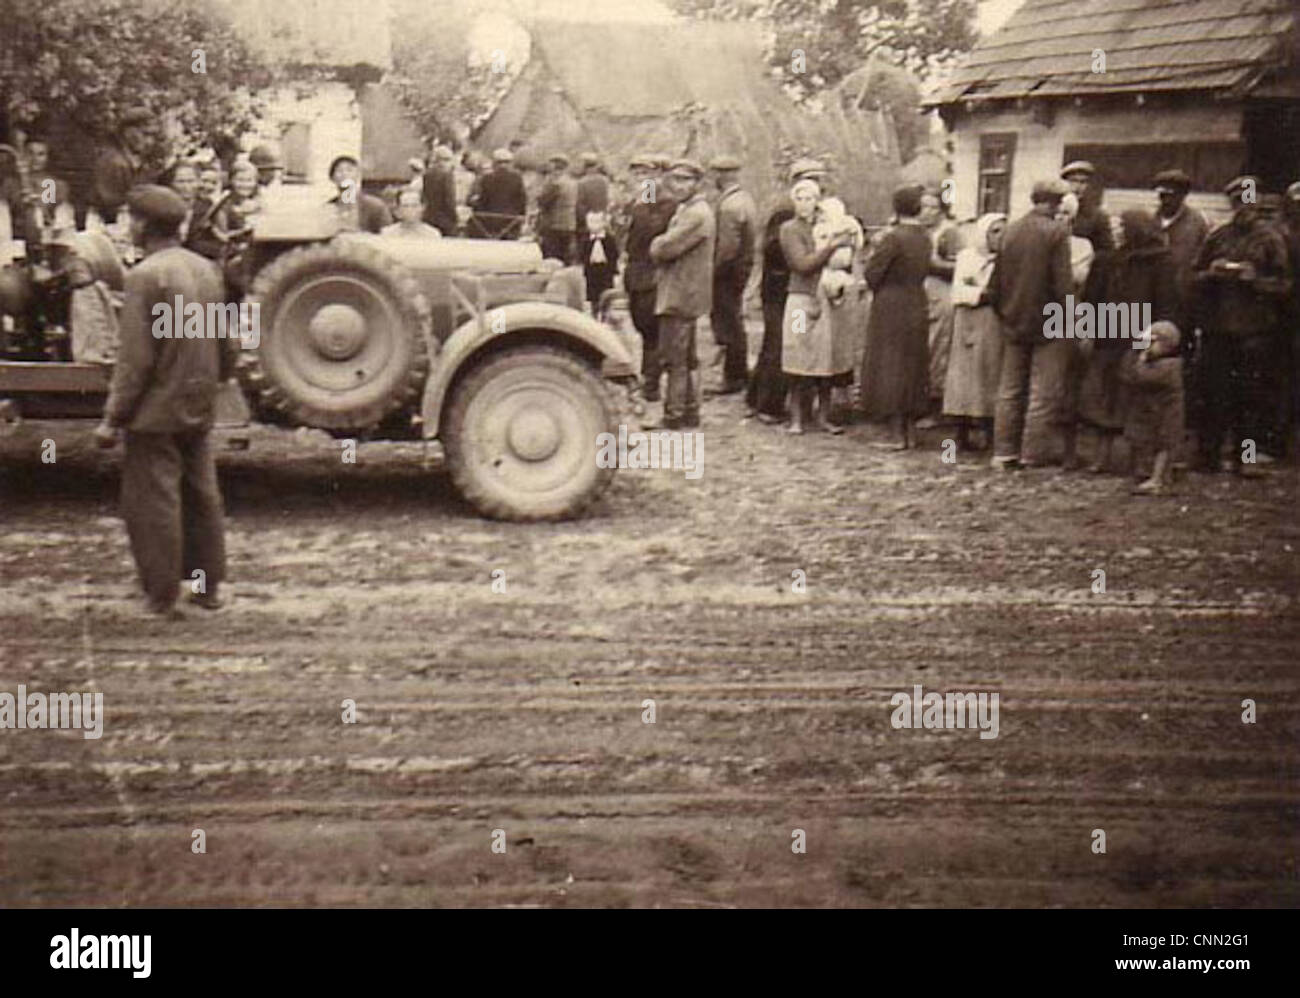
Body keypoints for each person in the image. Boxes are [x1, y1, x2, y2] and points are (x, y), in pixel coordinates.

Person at [93, 185, 235, 618]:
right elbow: (225, 342)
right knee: (201, 493)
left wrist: (111, 419)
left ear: (141, 224)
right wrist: (216, 379)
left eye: (129, 218)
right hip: (199, 397)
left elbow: (136, 359)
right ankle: (208, 587)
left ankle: (160, 594)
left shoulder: (144, 277)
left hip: (155, 408)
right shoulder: (207, 269)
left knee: (153, 501)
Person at [1190, 175, 1292, 475]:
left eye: (1250, 201)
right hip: (1217, 328)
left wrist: (1257, 281)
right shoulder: (1218, 236)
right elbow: (1193, 276)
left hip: (1254, 331)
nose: (1245, 208)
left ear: (1258, 203)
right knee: (1213, 394)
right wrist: (1211, 273)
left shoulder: (1272, 239)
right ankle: (1208, 457)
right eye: (1239, 202)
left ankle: (1245, 459)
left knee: (1250, 399)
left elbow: (1285, 284)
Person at [1077, 210, 1179, 474]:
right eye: (1116, 226)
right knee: (1103, 397)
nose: (1117, 231)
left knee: (1139, 401)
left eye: (1123, 226)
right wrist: (1086, 330)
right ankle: (1100, 457)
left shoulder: (1160, 262)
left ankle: (1140, 460)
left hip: (1140, 338)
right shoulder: (1106, 261)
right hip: (1108, 337)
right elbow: (1091, 299)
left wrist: (1157, 339)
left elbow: (1167, 304)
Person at [988, 178, 1074, 470]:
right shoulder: (1057, 232)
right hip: (1049, 321)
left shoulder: (1010, 230)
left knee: (1009, 389)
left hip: (1013, 319)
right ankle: (1032, 454)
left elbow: (995, 284)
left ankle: (1003, 452)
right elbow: (1063, 284)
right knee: (1043, 391)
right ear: (1054, 202)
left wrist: (1006, 313)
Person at [745, 159, 829, 424]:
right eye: (811, 178)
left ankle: (758, 397)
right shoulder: (787, 211)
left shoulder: (811, 210)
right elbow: (773, 248)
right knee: (781, 342)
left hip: (789, 285)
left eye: (819, 179)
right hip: (781, 286)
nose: (817, 183)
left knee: (782, 340)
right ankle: (769, 404)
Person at [859, 183, 931, 447]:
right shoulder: (924, 236)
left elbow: (872, 274)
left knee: (891, 367)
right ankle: (910, 432)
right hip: (916, 301)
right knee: (913, 366)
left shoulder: (893, 237)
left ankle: (896, 434)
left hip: (891, 306)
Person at [649, 159, 715, 429]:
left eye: (685, 180)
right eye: (675, 180)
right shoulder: (690, 210)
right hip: (685, 291)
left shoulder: (695, 214)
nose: (678, 185)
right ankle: (689, 410)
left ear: (697, 184)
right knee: (685, 357)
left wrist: (656, 244)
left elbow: (662, 248)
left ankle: (674, 414)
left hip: (680, 293)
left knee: (675, 357)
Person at [942, 212, 1007, 451]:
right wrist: (981, 294)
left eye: (1003, 232)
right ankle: (960, 430)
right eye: (995, 231)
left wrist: (984, 293)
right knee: (963, 374)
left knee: (990, 372)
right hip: (967, 320)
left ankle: (990, 431)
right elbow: (959, 291)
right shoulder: (967, 257)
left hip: (993, 322)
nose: (1000, 237)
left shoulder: (1006, 260)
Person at [622, 153, 677, 402]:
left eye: (646, 173)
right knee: (643, 328)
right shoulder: (641, 201)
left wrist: (641, 204)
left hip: (652, 274)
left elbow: (650, 232)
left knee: (651, 330)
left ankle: (652, 384)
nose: (640, 178)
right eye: (637, 173)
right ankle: (649, 378)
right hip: (637, 272)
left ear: (658, 175)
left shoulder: (663, 202)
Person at [705, 154, 757, 397]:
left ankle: (734, 376)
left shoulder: (729, 206)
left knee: (728, 323)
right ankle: (737, 373)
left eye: (715, 173)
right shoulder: (743, 199)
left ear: (721, 176)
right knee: (734, 321)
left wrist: (711, 272)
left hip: (728, 272)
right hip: (739, 269)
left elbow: (727, 248)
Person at [1122, 321, 1184, 494]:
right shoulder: (1156, 362)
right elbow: (1128, 374)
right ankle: (1151, 474)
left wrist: (1141, 357)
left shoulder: (1171, 365)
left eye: (1152, 343)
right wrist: (1139, 347)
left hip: (1167, 415)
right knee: (1149, 441)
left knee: (1165, 446)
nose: (1146, 347)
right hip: (1154, 412)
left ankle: (1158, 479)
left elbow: (1142, 376)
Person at [919, 187, 961, 421]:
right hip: (919, 294)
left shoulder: (949, 233)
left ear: (941, 210)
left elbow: (960, 267)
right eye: (923, 207)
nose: (926, 212)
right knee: (920, 350)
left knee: (937, 349)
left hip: (940, 293)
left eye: (932, 207)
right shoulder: (916, 231)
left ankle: (935, 408)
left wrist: (931, 263)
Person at [88, 107, 153, 230]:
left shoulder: (136, 161)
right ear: (128, 132)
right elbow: (110, 204)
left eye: (151, 135)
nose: (148, 141)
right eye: (144, 134)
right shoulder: (113, 162)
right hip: (108, 225)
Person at [468, 148, 527, 239]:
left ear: (494, 163)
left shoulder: (487, 178)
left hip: (489, 222)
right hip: (510, 221)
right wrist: (521, 215)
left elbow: (483, 200)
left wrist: (474, 204)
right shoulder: (517, 178)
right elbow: (522, 200)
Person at [1060, 160, 1114, 254]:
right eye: (1073, 181)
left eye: (1083, 182)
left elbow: (1105, 250)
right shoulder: (1056, 210)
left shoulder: (1097, 216)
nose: (1077, 186)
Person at [328, 155, 391, 234]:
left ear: (357, 175)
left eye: (349, 170)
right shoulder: (329, 207)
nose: (344, 174)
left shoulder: (376, 207)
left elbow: (387, 237)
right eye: (339, 171)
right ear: (332, 178)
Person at [24, 136, 75, 232]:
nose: (35, 159)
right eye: (30, 153)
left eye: (40, 154)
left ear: (48, 157)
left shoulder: (50, 184)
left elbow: (45, 213)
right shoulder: (12, 181)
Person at [536, 153, 577, 263]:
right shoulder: (572, 183)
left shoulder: (556, 183)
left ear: (555, 166)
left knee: (552, 257)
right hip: (569, 225)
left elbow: (543, 201)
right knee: (565, 257)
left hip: (554, 225)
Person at [580, 210, 618, 312]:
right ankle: (595, 312)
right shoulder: (586, 240)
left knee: (606, 294)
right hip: (592, 271)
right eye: (591, 222)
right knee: (593, 295)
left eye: (597, 222)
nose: (594, 225)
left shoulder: (609, 239)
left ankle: (606, 313)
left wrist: (613, 269)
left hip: (606, 270)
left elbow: (614, 254)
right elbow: (583, 254)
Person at [422, 146, 459, 237]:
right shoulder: (447, 175)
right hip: (445, 219)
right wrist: (455, 216)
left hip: (430, 216)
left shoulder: (427, 174)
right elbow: (449, 199)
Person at [575, 151, 610, 248]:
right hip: (603, 217)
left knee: (588, 247)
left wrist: (582, 220)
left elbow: (580, 205)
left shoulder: (582, 183)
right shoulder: (605, 181)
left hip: (589, 219)